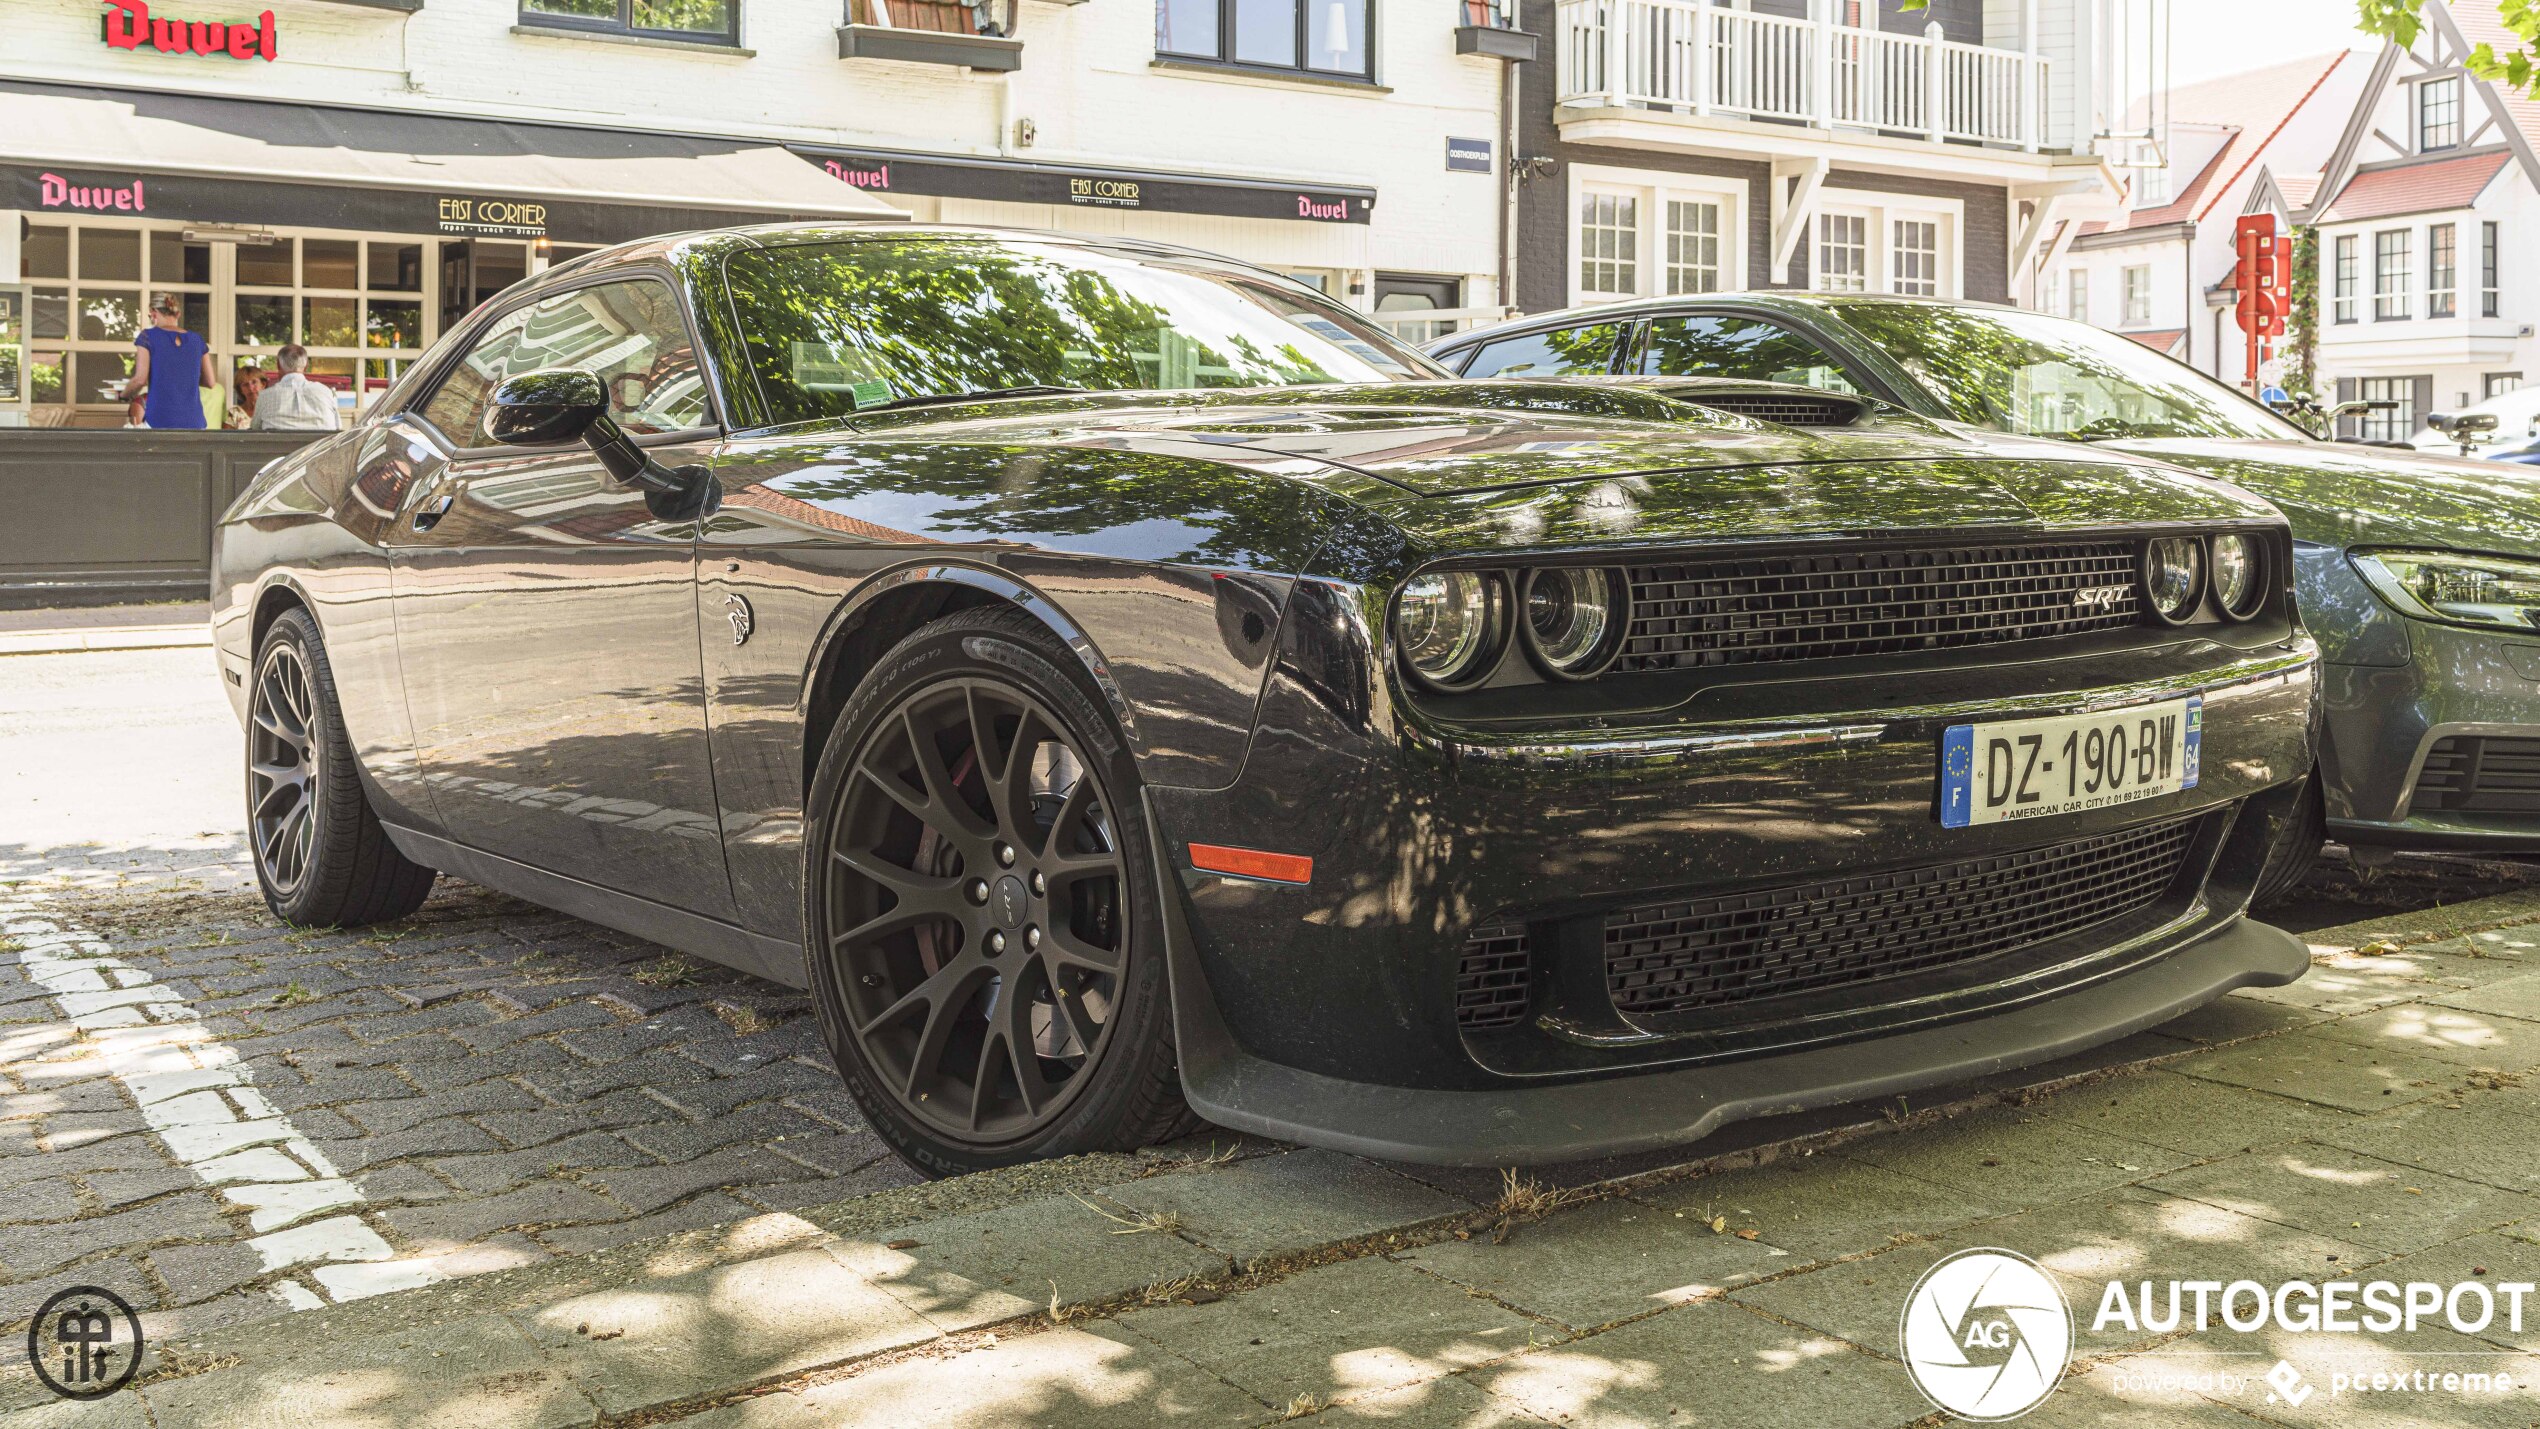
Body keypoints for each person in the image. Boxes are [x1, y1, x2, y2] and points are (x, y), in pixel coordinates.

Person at [127, 294, 215, 430]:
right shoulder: (197, 340)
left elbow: (140, 380)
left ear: (153, 313)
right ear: (178, 314)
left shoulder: (148, 336)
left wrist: (123, 394)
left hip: (160, 420)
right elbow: (210, 382)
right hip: (194, 422)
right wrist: (183, 378)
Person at [252, 345, 340, 431]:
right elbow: (338, 428)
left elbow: (254, 430)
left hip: (278, 446)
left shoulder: (264, 396)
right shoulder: (327, 392)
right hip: (321, 446)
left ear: (278, 365)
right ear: (306, 366)